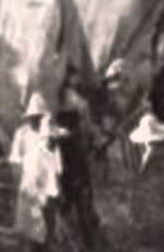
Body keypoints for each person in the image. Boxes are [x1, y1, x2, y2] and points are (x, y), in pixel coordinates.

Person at [9, 93, 64, 251]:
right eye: (33, 117)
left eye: (39, 117)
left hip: (47, 190)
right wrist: (22, 186)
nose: (36, 121)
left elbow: (56, 166)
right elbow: (15, 161)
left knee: (47, 231)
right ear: (28, 118)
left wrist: (57, 191)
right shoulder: (22, 135)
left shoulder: (49, 137)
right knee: (29, 233)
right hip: (29, 189)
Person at [56, 66, 99, 249]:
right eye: (74, 76)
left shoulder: (66, 100)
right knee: (80, 197)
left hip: (72, 161)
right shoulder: (73, 101)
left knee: (77, 196)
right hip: (74, 163)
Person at [129, 113, 164, 252]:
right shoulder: (159, 151)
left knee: (160, 238)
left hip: (157, 204)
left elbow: (158, 183)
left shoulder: (161, 154)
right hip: (158, 205)